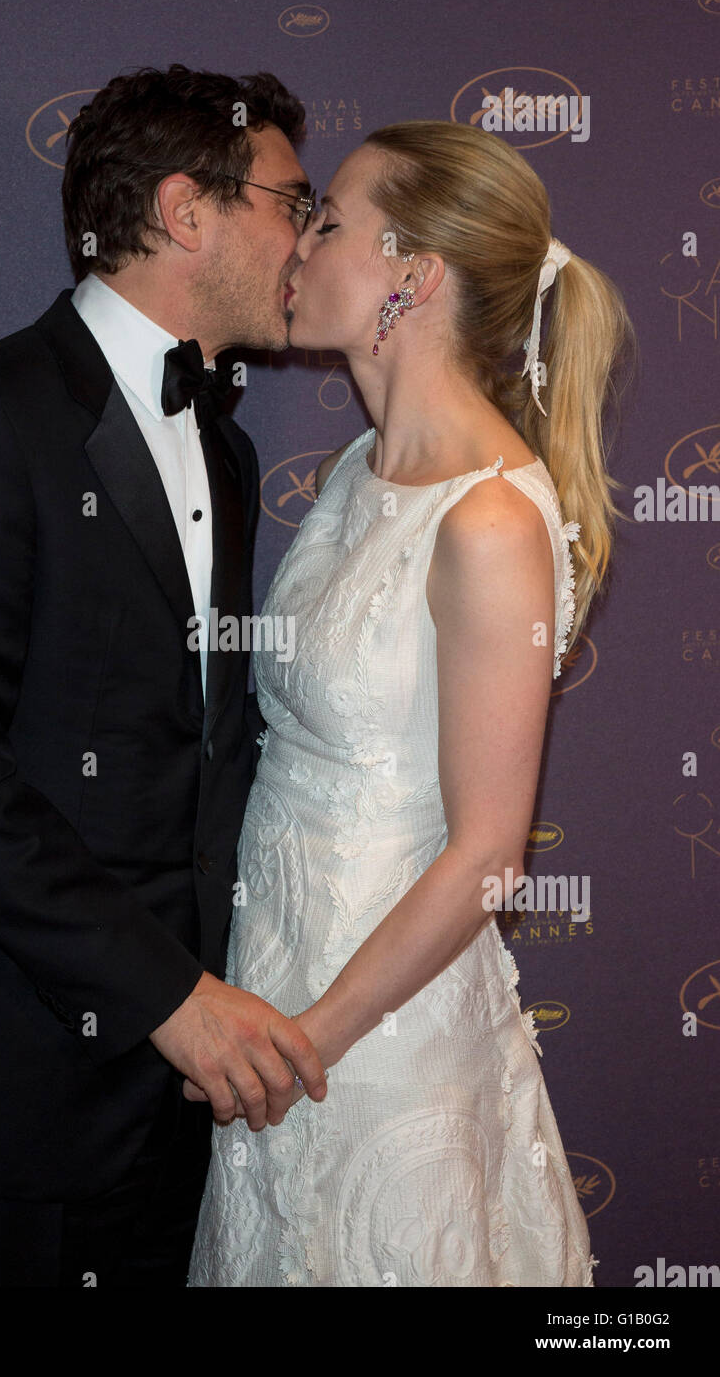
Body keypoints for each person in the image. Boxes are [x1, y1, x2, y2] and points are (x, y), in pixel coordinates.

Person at [0, 63, 328, 1289]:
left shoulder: (223, 437)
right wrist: (172, 996)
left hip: (179, 1103)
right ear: (184, 210)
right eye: (289, 200)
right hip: (7, 1090)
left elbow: (203, 754)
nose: (308, 237)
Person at [187, 120, 635, 1287]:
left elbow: (489, 852)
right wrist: (259, 1027)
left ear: (411, 276)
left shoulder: (488, 524)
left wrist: (304, 1045)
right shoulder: (352, 472)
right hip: (271, 987)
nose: (296, 245)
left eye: (325, 219)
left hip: (374, 1043)